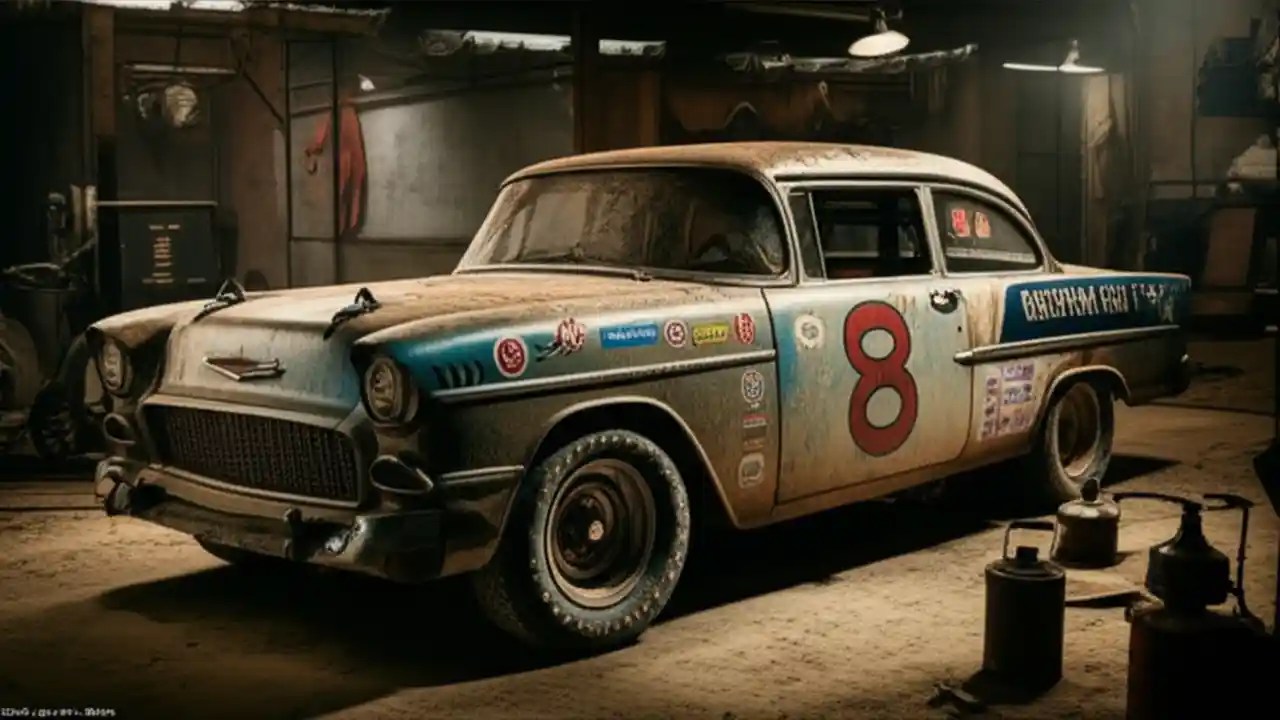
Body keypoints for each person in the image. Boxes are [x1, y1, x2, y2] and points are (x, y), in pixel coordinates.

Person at [305, 76, 367, 237]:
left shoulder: (346, 112)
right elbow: (322, 134)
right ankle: (344, 227)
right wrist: (313, 148)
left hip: (349, 154)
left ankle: (347, 227)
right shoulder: (338, 111)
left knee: (351, 187)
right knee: (346, 190)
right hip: (345, 154)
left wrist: (313, 148)